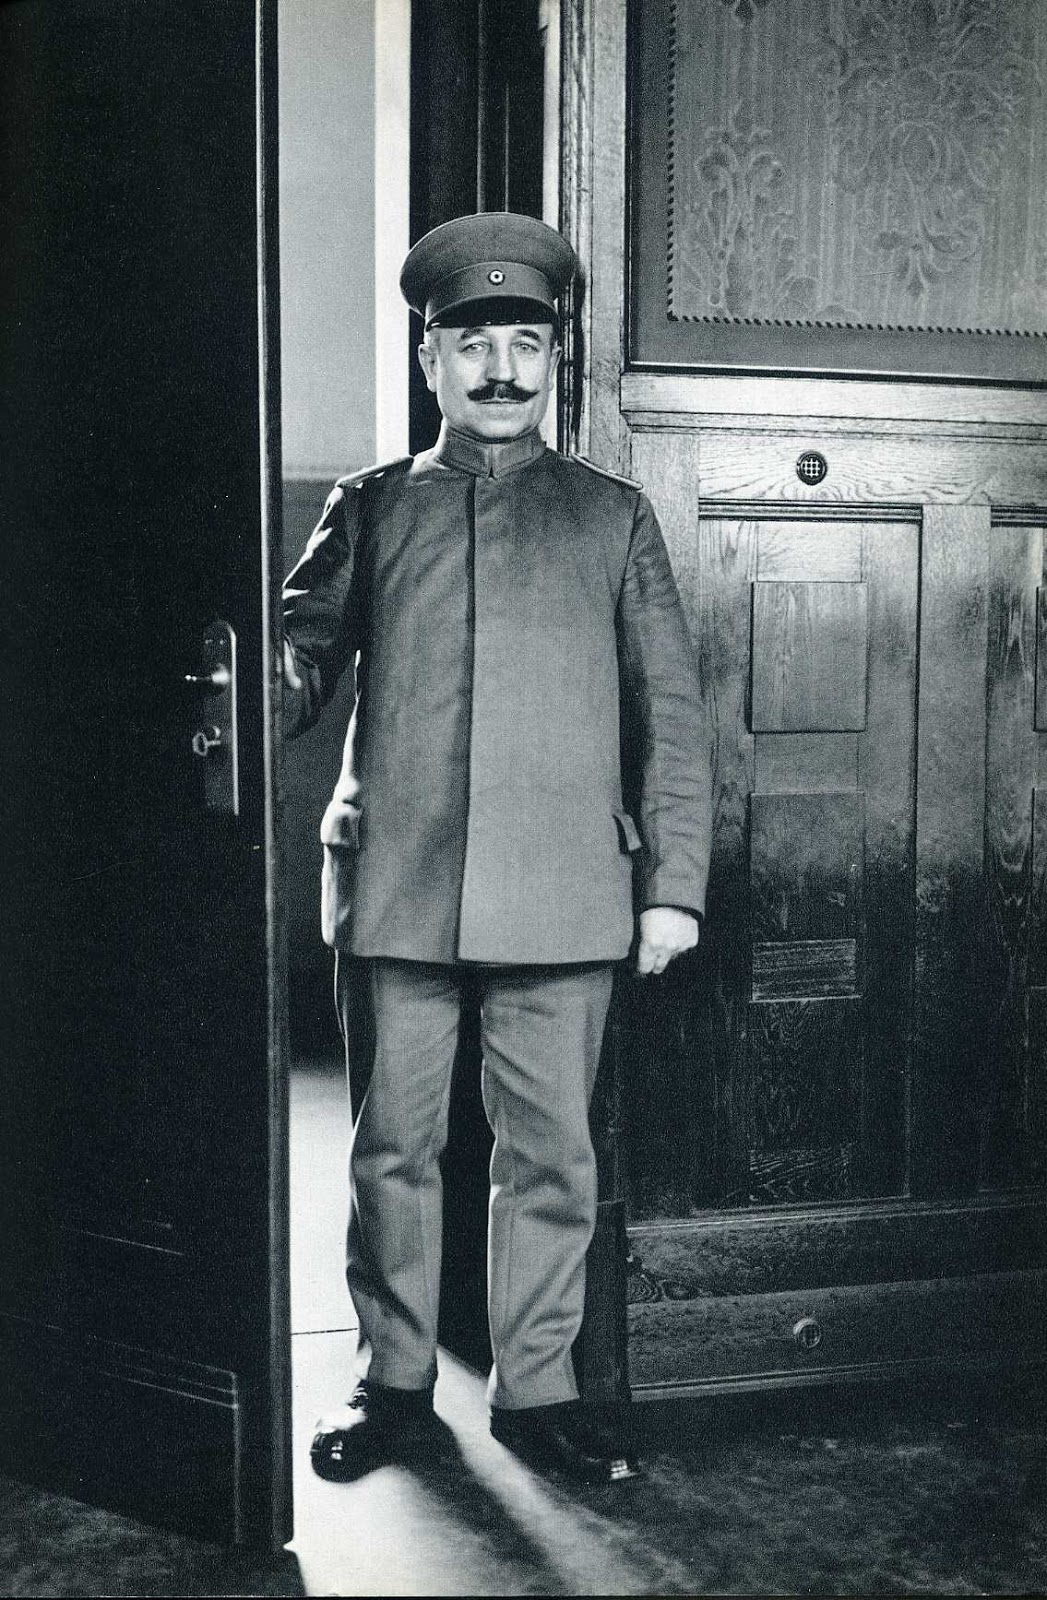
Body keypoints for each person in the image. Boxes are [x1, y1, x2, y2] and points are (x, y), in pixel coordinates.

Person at [282, 212, 713, 1486]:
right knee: (390, 1151)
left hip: (569, 890)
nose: (503, 372)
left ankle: (538, 1394)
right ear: (430, 362)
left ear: (554, 362)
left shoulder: (611, 518)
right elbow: (294, 657)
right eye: (474, 348)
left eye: (527, 345)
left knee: (550, 1160)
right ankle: (394, 1385)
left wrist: (672, 888)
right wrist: (231, 697)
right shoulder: (370, 510)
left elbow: (672, 720)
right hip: (400, 884)